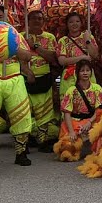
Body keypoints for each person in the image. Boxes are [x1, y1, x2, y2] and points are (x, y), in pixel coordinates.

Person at [0, 5, 38, 166]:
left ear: (5, 17)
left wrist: (12, 48)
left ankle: (21, 152)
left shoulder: (14, 34)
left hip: (14, 78)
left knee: (21, 114)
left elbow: (28, 56)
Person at [22, 9, 60, 153]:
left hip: (44, 78)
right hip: (26, 78)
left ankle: (43, 141)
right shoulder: (21, 36)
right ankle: (25, 141)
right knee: (25, 111)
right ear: (28, 21)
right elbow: (16, 58)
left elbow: (53, 58)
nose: (37, 21)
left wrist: (35, 46)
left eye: (40, 19)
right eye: (34, 19)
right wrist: (27, 71)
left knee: (45, 111)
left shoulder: (49, 37)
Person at [58, 60, 102, 158]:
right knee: (67, 146)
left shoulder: (97, 89)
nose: (85, 73)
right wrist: (71, 131)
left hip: (92, 119)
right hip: (75, 121)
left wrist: (89, 122)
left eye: (87, 70)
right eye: (82, 70)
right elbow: (67, 113)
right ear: (77, 73)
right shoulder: (71, 90)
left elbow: (99, 110)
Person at [56, 12, 99, 99]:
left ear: (81, 23)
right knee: (69, 101)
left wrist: (87, 41)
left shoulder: (88, 36)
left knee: (89, 99)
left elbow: (94, 55)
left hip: (86, 72)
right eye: (71, 22)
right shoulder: (63, 41)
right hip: (70, 75)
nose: (74, 24)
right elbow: (62, 61)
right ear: (67, 25)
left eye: (77, 21)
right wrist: (82, 58)